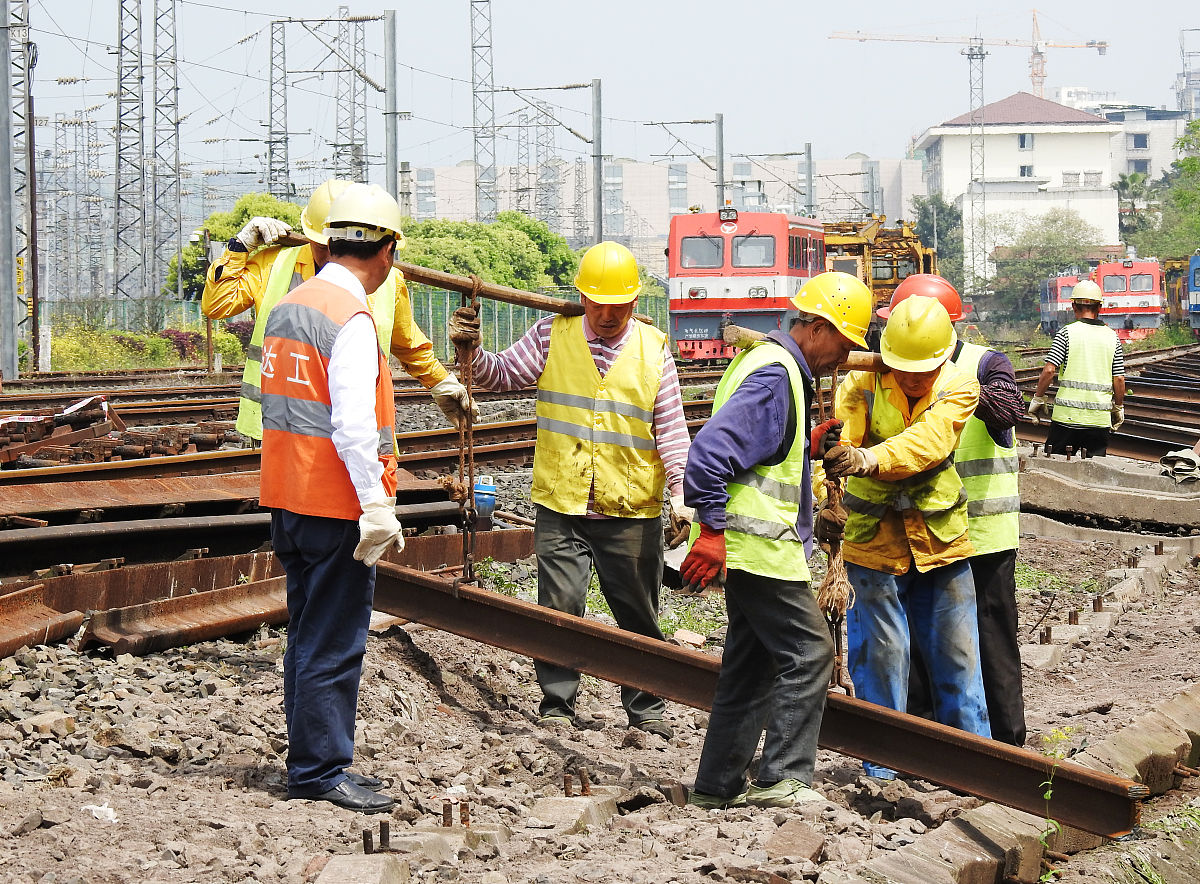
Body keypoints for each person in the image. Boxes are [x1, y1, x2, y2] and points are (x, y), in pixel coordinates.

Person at [447, 241, 690, 739]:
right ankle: (557, 703)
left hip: (629, 509)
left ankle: (646, 707)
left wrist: (682, 496)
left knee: (638, 614)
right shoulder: (551, 334)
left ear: (634, 301)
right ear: (582, 297)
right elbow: (499, 376)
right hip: (562, 502)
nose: (607, 314)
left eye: (618, 305)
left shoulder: (654, 349)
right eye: (597, 303)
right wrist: (469, 351)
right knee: (558, 609)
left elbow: (671, 431)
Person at [679, 271, 872, 809]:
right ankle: (782, 779)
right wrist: (711, 532)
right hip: (758, 550)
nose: (844, 358)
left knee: (751, 667)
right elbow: (709, 456)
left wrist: (803, 443)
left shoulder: (771, 366)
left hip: (750, 549)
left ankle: (715, 788)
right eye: (843, 344)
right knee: (810, 653)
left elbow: (760, 452)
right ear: (816, 328)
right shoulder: (776, 376)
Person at [259, 183, 408, 813]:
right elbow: (352, 426)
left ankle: (309, 761)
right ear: (387, 251)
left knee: (305, 634)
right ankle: (319, 771)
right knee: (333, 641)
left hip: (287, 497)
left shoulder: (292, 305)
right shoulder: (351, 318)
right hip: (333, 504)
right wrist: (375, 504)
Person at [826, 295, 991, 779]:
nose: (913, 379)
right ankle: (883, 767)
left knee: (960, 657)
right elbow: (838, 442)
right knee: (881, 655)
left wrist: (868, 459)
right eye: (903, 370)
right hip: (872, 542)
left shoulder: (960, 385)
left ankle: (972, 765)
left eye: (923, 371)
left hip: (940, 543)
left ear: (944, 358)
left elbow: (929, 442)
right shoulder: (862, 383)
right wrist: (826, 493)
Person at [202, 178, 474, 441]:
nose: (332, 255)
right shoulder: (275, 265)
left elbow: (408, 345)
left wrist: (441, 383)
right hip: (281, 429)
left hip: (358, 428)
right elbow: (217, 304)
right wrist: (239, 247)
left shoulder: (389, 281)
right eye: (324, 246)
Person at [879, 275, 1027, 746]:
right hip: (917, 534)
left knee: (989, 638)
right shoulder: (889, 368)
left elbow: (1009, 412)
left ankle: (1004, 745)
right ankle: (928, 742)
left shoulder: (984, 365)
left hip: (981, 535)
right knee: (918, 638)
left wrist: (956, 386)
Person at [1027, 279, 1126, 457]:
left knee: (1055, 466)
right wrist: (1118, 407)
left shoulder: (1066, 333)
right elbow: (1118, 378)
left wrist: (1038, 398)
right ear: (1100, 307)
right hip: (1098, 421)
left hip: (1066, 418)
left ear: (1073, 306)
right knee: (1094, 470)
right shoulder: (1113, 337)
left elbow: (1049, 370)